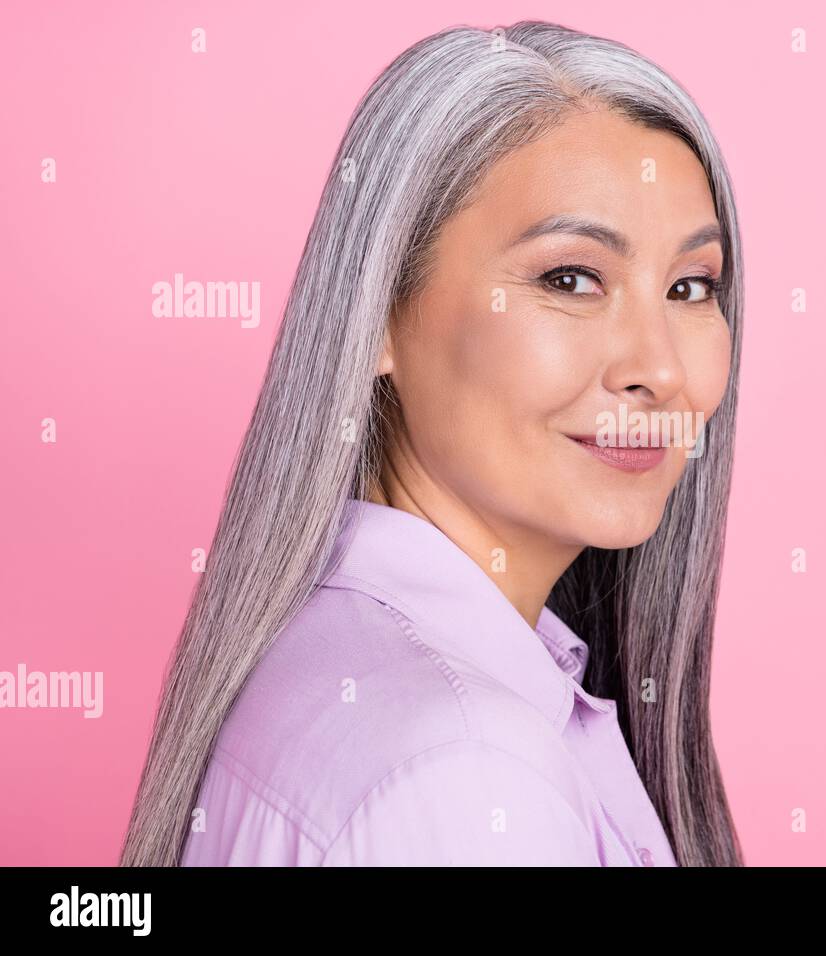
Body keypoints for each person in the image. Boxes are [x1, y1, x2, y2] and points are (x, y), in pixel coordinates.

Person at [119, 19, 745, 867]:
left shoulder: (323, 652)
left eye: (689, 287)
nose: (659, 371)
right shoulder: (471, 778)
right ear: (379, 314)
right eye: (570, 278)